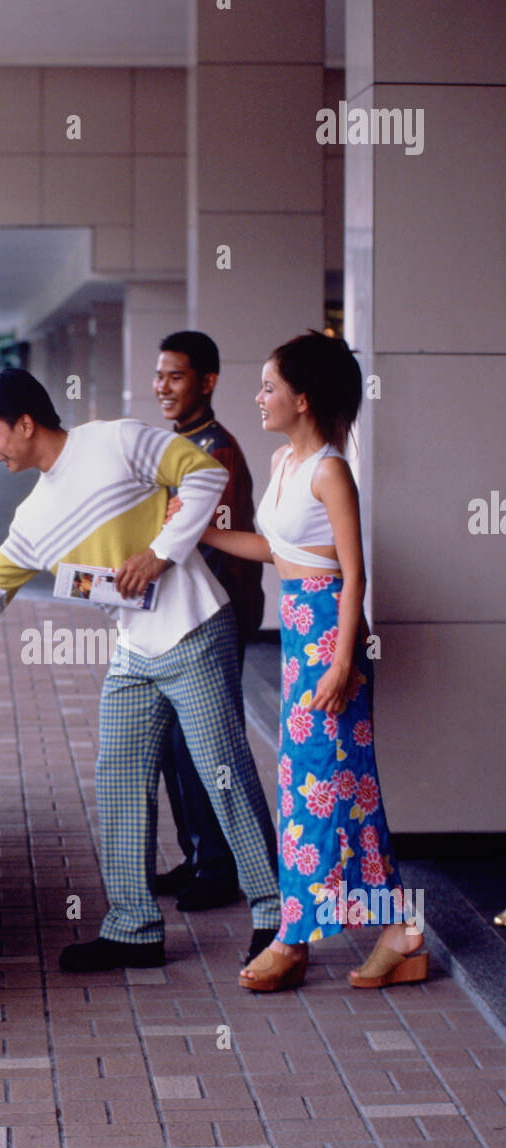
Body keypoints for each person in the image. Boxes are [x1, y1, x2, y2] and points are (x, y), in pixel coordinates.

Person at [0, 367, 281, 972]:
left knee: (224, 774)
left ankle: (274, 916)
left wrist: (161, 554)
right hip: (134, 649)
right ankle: (134, 928)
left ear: (27, 424)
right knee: (119, 785)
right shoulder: (31, 519)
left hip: (194, 629)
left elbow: (207, 473)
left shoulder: (117, 440)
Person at [190, 331, 426, 991]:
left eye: (269, 387)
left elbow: (355, 575)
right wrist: (201, 532)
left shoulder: (329, 468)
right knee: (324, 791)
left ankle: (297, 940)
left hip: (330, 640)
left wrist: (344, 660)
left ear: (304, 396)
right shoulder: (284, 462)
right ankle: (398, 931)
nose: (259, 397)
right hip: (298, 637)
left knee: (325, 795)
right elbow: (275, 548)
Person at [153, 332, 266, 937]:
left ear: (208, 382)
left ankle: (223, 867)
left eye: (175, 376)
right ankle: (200, 856)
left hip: (208, 619)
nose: (162, 387)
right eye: (159, 375)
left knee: (207, 749)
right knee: (177, 744)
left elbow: (211, 546)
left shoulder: (214, 450)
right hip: (180, 618)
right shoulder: (182, 444)